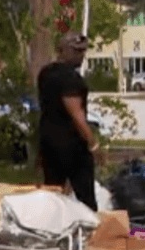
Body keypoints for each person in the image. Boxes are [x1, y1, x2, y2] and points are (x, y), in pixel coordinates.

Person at [37, 32, 103, 212]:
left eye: (83, 51)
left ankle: (54, 224)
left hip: (49, 142)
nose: (80, 55)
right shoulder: (70, 78)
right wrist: (93, 144)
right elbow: (76, 115)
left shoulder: (45, 73)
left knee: (53, 195)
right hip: (72, 147)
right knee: (86, 200)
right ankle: (88, 228)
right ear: (61, 50)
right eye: (75, 51)